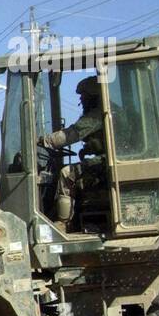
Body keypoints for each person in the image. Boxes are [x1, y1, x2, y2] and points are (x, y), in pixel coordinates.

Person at [38, 75, 105, 226]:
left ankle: (63, 223)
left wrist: (45, 140)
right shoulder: (104, 111)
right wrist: (88, 149)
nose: (81, 101)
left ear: (93, 96)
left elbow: (71, 134)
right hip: (106, 160)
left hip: (105, 163)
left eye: (84, 96)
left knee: (66, 174)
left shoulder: (96, 115)